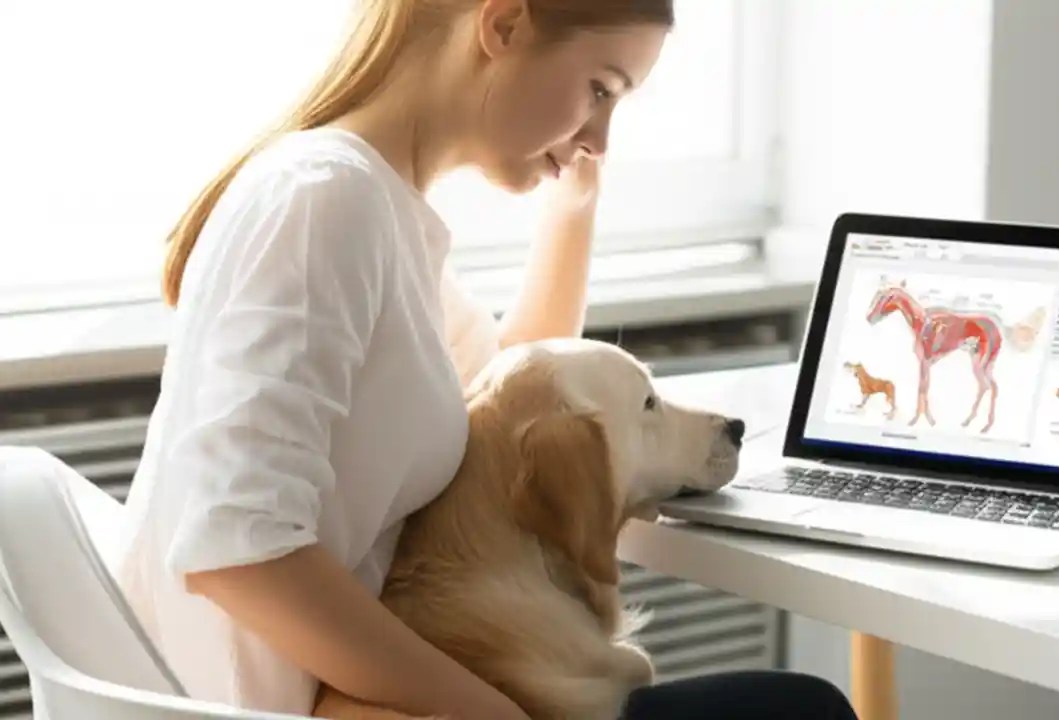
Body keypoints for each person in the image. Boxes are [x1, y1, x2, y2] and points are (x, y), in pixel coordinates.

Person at [115, 0, 858, 718]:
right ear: (503, 25)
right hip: (281, 709)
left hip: (350, 702)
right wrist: (486, 711)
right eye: (599, 89)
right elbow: (238, 552)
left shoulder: (378, 209)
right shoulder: (327, 204)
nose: (599, 135)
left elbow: (511, 388)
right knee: (801, 709)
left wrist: (571, 212)